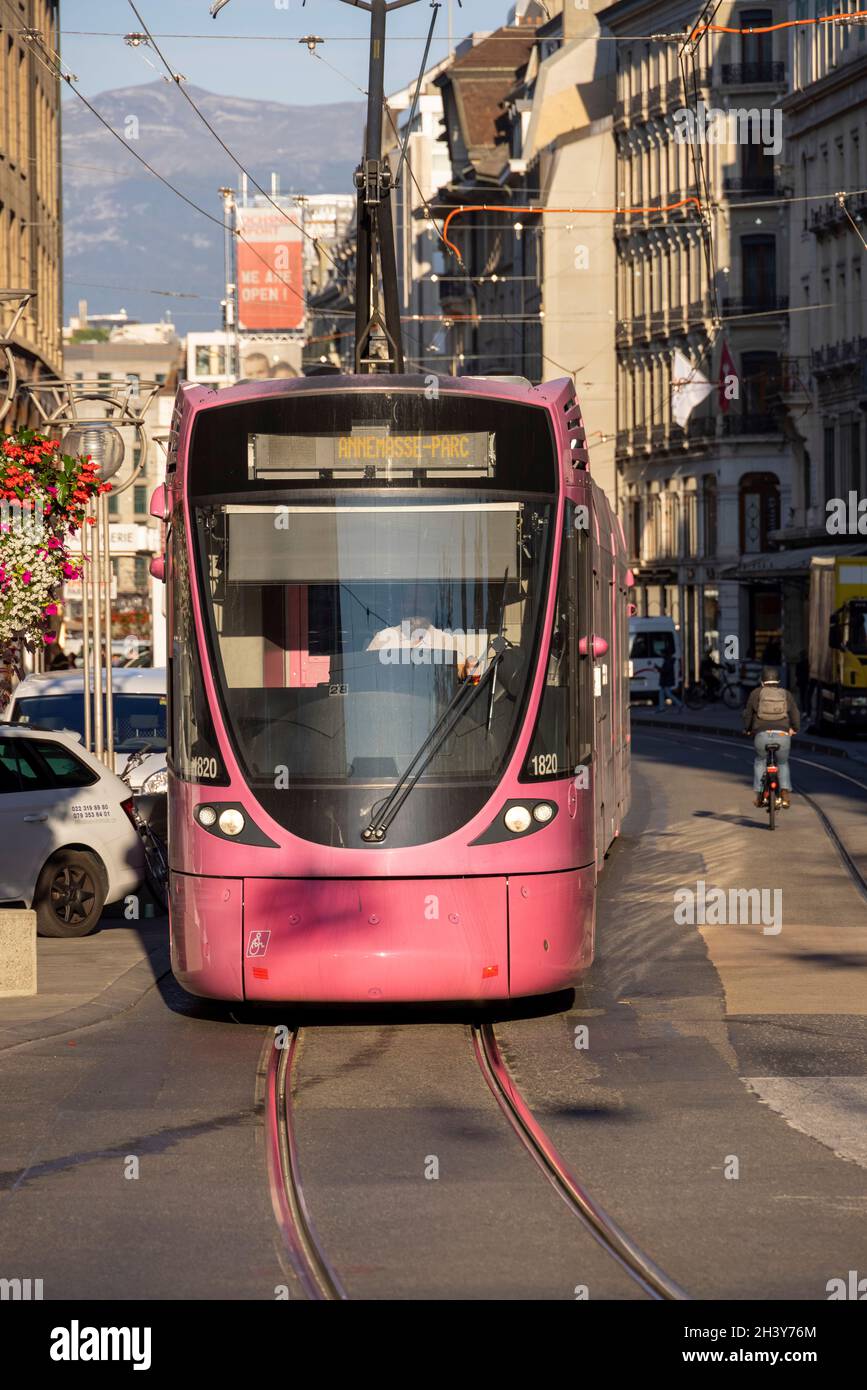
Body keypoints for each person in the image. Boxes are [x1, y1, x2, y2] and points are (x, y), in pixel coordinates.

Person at [743, 665, 800, 809]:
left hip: (761, 735)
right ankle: (785, 794)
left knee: (760, 760)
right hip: (782, 735)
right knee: (782, 762)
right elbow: (795, 714)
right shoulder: (785, 694)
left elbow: (748, 714)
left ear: (762, 681)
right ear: (778, 681)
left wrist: (748, 729)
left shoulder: (756, 693)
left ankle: (759, 795)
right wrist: (794, 729)